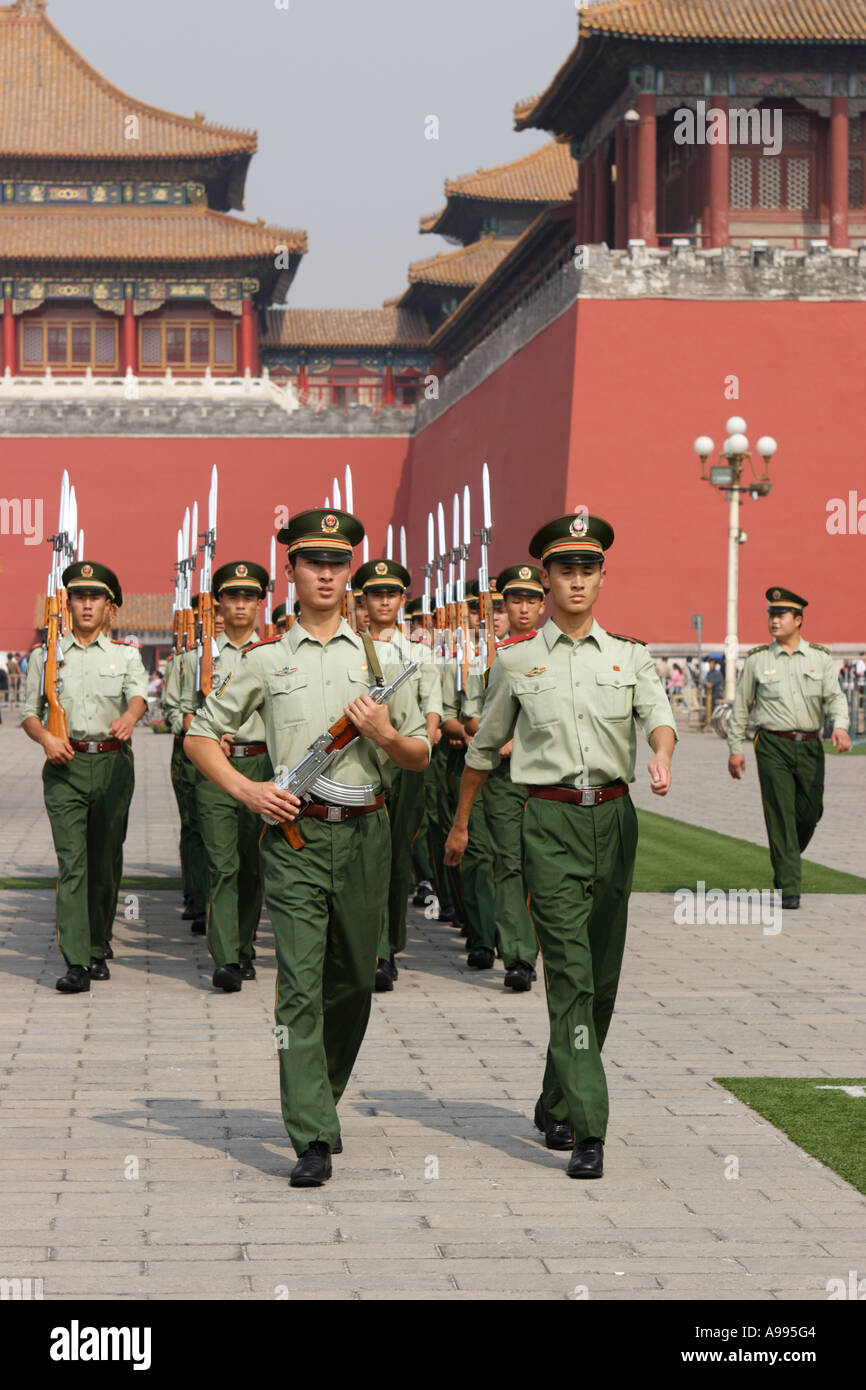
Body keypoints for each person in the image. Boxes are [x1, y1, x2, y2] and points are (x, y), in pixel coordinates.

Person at [184, 508, 429, 1187]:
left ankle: (322, 1092)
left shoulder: (384, 660)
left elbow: (418, 754)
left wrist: (381, 733)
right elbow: (200, 736)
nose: (327, 571)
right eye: (313, 560)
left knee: (353, 979)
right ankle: (311, 1133)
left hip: (365, 834)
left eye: (338, 560)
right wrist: (249, 791)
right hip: (293, 836)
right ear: (289, 568)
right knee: (297, 986)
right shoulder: (267, 659)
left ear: (350, 567)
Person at [444, 514, 676, 1179]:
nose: (576, 580)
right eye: (564, 570)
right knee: (570, 970)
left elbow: (658, 718)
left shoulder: (628, 655)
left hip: (614, 818)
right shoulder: (517, 661)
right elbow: (483, 750)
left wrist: (660, 757)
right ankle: (588, 1125)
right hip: (547, 822)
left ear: (602, 577)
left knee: (601, 978)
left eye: (588, 569)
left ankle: (554, 1094)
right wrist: (461, 824)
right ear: (544, 579)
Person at [21, 562, 148, 993]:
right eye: (80, 597)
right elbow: (29, 714)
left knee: (105, 861)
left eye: (96, 598)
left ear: (110, 608)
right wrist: (45, 740)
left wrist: (130, 717)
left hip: (113, 765)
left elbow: (137, 695)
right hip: (66, 766)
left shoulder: (126, 653)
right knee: (73, 863)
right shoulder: (46, 656)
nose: (87, 604)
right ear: (68, 604)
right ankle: (77, 960)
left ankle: (98, 942)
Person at [727, 586, 850, 909]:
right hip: (771, 745)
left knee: (810, 813)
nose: (774, 621)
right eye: (771, 615)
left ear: (799, 620)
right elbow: (742, 706)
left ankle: (786, 857)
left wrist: (839, 726)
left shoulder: (820, 659)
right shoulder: (758, 660)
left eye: (781, 615)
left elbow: (835, 697)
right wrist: (735, 747)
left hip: (810, 745)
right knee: (780, 813)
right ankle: (790, 888)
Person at [181, 562, 273, 992]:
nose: (240, 604)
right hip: (215, 767)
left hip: (260, 764)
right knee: (222, 864)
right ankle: (227, 957)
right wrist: (201, 732)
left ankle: (245, 943)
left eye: (249, 597)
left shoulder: (274, 655)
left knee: (253, 865)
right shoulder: (198, 656)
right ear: (219, 602)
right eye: (232, 597)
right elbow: (181, 713)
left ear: (259, 602)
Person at [351, 558, 442, 991]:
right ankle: (376, 951)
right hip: (360, 764)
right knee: (366, 861)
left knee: (397, 859)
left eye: (391, 593)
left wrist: (428, 734)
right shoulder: (349, 647)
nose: (384, 600)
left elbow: (432, 706)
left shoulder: (419, 652)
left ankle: (391, 944)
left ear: (402, 599)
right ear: (363, 600)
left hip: (404, 761)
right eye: (375, 593)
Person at [462, 563, 548, 991]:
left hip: (549, 777)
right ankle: (519, 956)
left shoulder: (555, 652)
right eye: (516, 600)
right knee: (509, 864)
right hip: (502, 776)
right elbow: (471, 715)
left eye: (532, 600)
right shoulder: (486, 658)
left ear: (541, 605)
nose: (525, 608)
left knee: (547, 866)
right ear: (506, 605)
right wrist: (500, 738)